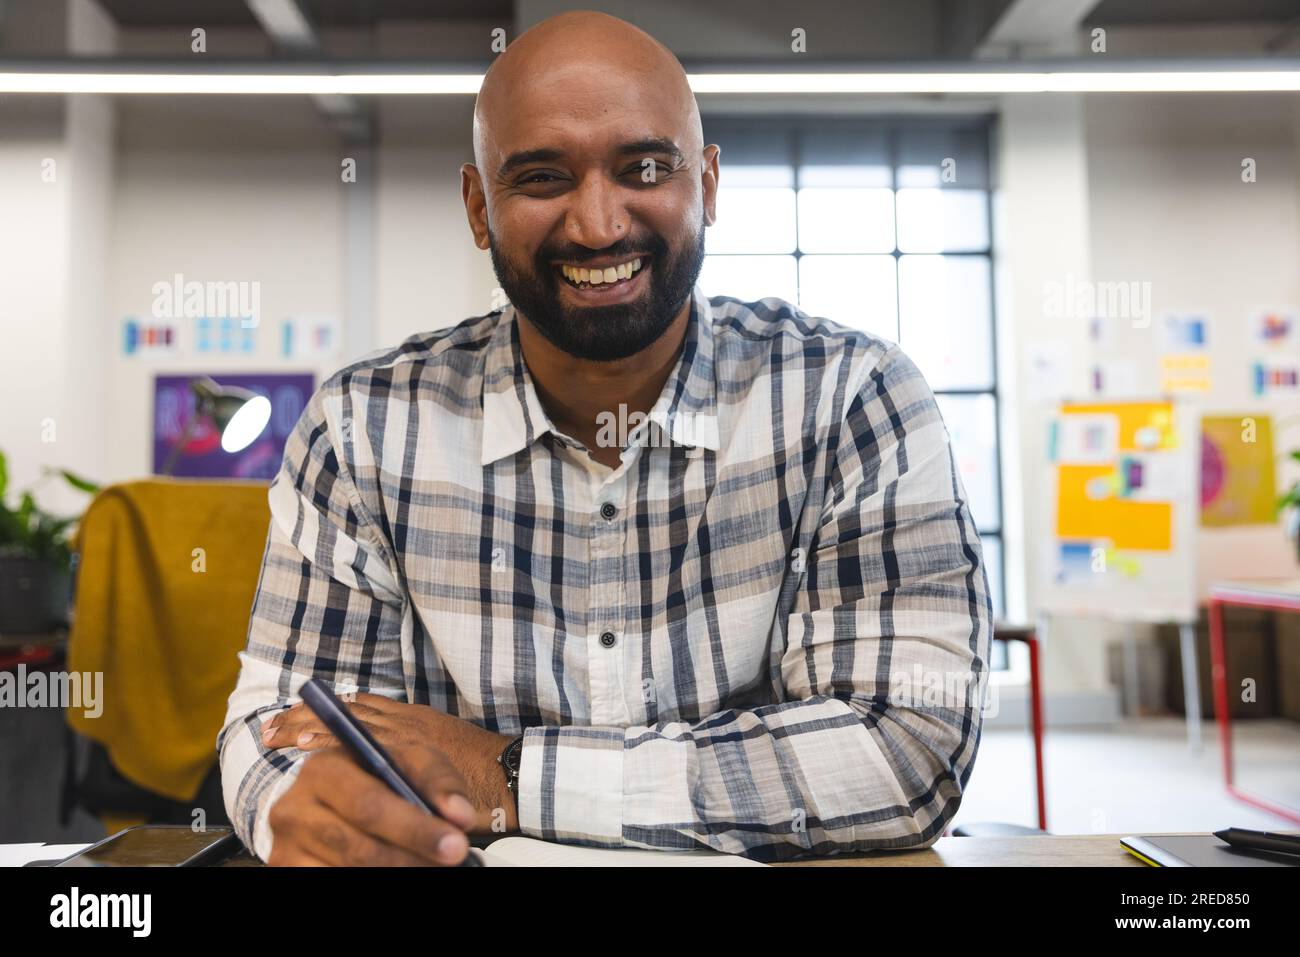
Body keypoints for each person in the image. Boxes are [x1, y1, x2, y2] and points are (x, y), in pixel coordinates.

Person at [219, 10, 991, 866]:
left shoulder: (854, 399)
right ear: (479, 207)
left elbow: (903, 746)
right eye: (543, 177)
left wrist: (506, 772)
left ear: (707, 184)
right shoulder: (364, 427)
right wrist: (300, 802)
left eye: (645, 168)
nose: (597, 225)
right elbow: (280, 726)